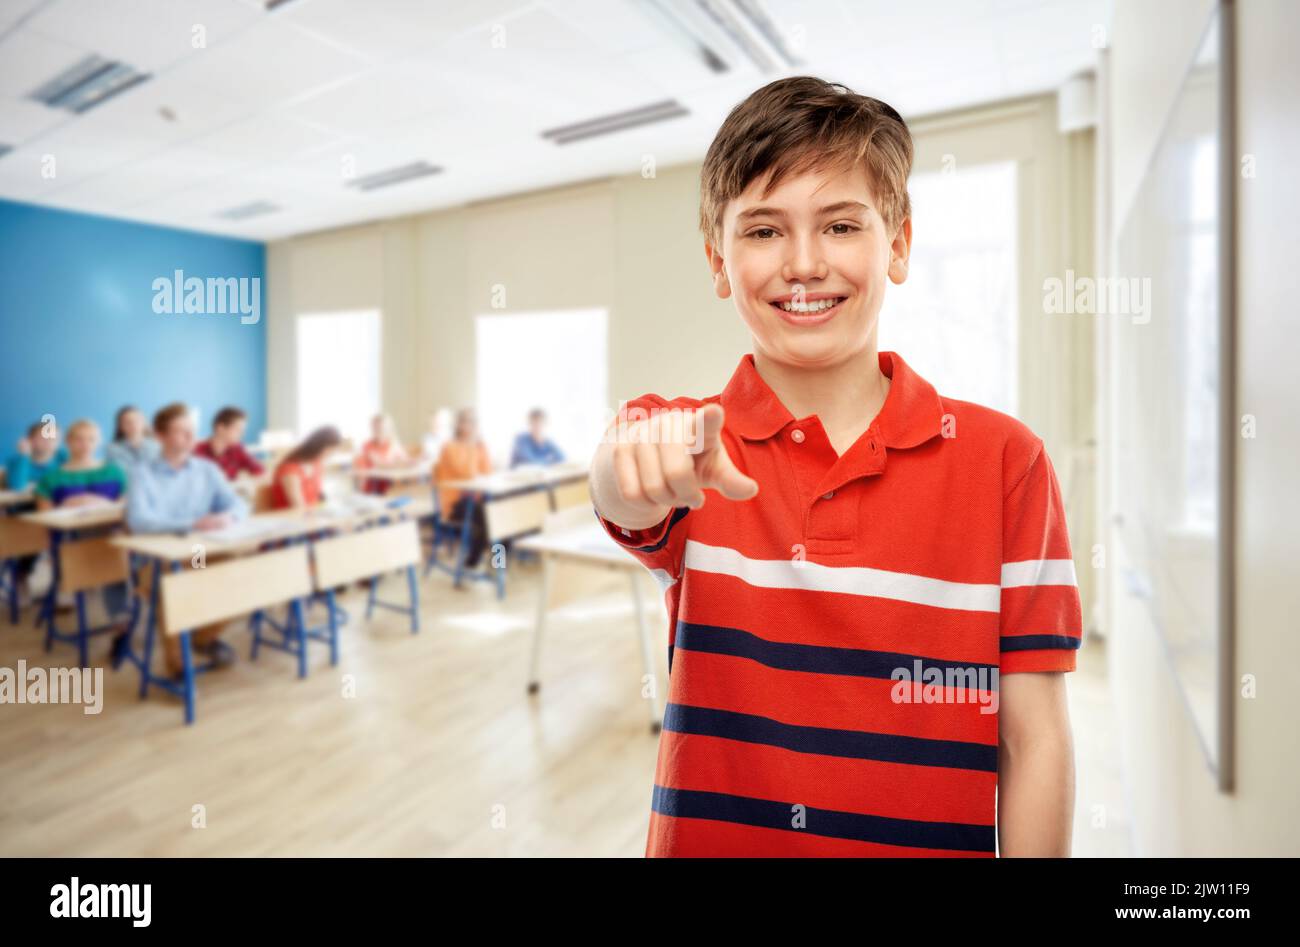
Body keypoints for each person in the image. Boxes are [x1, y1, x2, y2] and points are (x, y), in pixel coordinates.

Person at [588, 77, 1082, 858]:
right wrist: (625, 468)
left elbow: (1035, 741)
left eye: (841, 224)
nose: (805, 263)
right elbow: (623, 478)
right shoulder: (689, 443)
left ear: (900, 245)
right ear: (719, 261)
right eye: (763, 232)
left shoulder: (1006, 461)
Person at [123, 403, 248, 676]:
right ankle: (177, 663)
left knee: (245, 576)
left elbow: (237, 504)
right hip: (158, 561)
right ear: (160, 436)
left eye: (192, 431)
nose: (191, 438)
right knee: (174, 584)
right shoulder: (143, 473)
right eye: (181, 432)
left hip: (198, 553)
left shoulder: (207, 469)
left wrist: (229, 517)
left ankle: (202, 638)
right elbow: (139, 521)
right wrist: (192, 523)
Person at [35, 419, 129, 620]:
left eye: (91, 439)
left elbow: (126, 506)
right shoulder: (52, 478)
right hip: (71, 542)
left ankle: (120, 619)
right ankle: (70, 591)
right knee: (97, 552)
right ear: (68, 442)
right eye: (79, 439)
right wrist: (67, 504)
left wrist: (100, 502)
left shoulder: (114, 471)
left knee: (113, 551)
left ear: (99, 442)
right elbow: (45, 517)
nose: (85, 444)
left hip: (109, 538)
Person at [433, 408, 492, 572]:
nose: (470, 425)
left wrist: (481, 446)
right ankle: (472, 561)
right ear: (458, 425)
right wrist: (474, 446)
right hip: (455, 504)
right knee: (488, 516)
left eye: (473, 422)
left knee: (502, 514)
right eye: (466, 421)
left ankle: (497, 563)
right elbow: (467, 473)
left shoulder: (479, 446)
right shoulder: (449, 447)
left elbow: (487, 473)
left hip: (475, 500)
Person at [270, 426, 341, 510]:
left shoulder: (316, 464)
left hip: (311, 515)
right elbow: (298, 506)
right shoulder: (290, 469)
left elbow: (318, 497)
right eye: (330, 451)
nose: (330, 455)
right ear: (318, 447)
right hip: (292, 519)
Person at [194, 406, 264, 482]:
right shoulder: (197, 450)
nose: (242, 435)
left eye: (242, 431)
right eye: (238, 430)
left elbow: (259, 471)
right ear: (220, 428)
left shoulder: (238, 449)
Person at [5, 419, 68, 491]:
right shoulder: (18, 460)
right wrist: (23, 456)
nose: (49, 442)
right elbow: (17, 486)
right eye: (44, 438)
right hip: (27, 501)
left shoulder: (63, 456)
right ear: (29, 440)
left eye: (54, 439)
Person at [355, 413, 409, 494]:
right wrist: (398, 464)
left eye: (381, 428)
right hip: (373, 487)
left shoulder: (392, 443)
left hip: (391, 483)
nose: (378, 430)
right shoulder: (367, 446)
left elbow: (404, 460)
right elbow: (380, 465)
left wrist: (408, 461)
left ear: (388, 429)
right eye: (375, 428)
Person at [104, 405, 159, 471]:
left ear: (144, 422)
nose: (133, 424)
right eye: (127, 422)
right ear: (120, 426)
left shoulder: (157, 445)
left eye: (136, 420)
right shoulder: (112, 449)